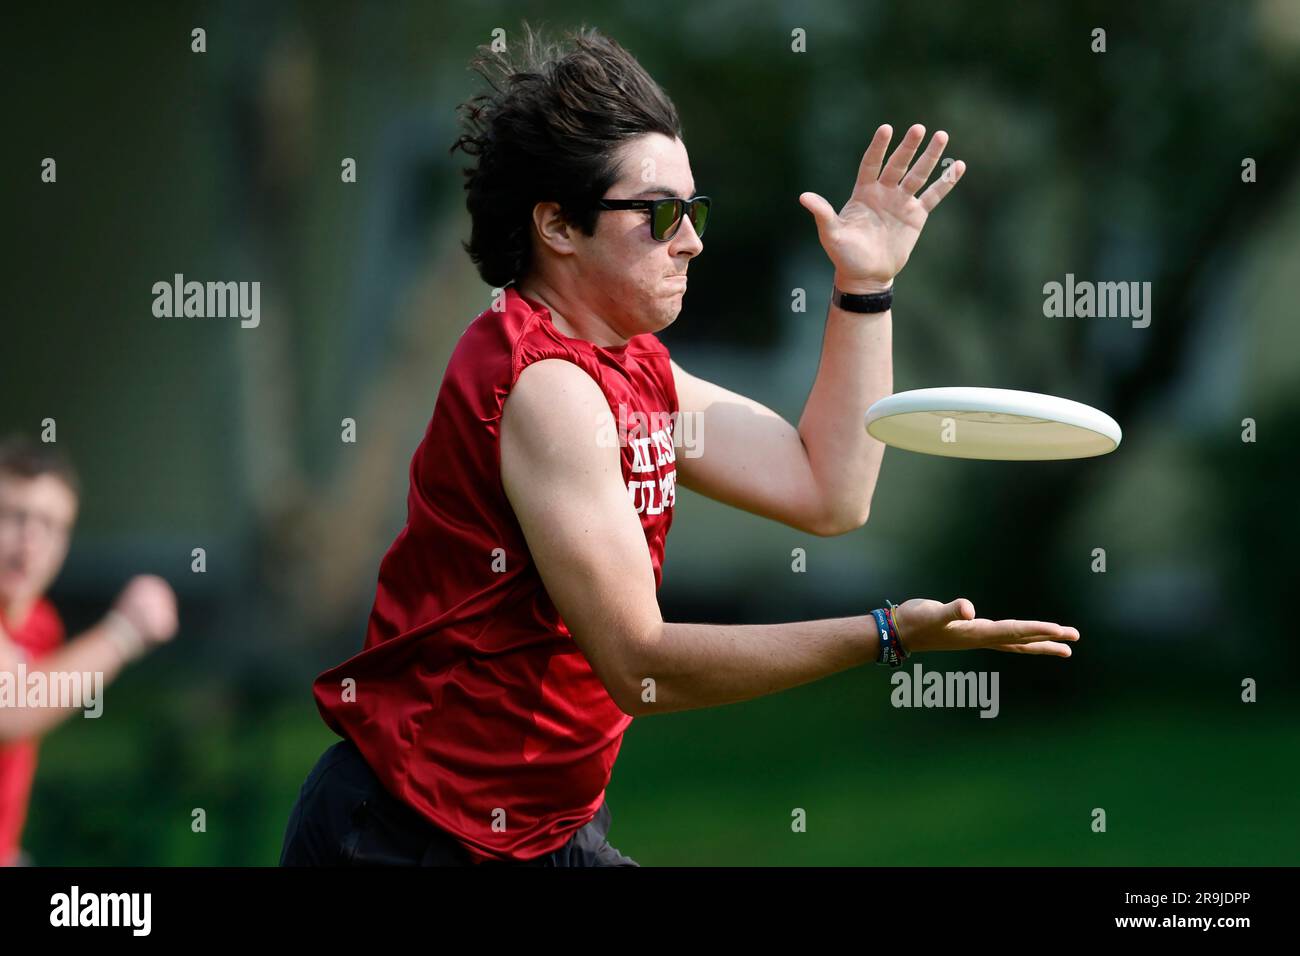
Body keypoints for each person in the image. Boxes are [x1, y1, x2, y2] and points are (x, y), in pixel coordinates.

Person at [280, 23, 1080, 868]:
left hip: (541, 832)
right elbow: (641, 663)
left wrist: (865, 284)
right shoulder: (546, 389)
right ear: (557, 224)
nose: (692, 239)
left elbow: (828, 489)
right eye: (659, 213)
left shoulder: (634, 368)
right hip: (412, 833)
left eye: (693, 210)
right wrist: (885, 634)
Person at [0, 435, 179, 866]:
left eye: (51, 525)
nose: (31, 543)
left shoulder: (42, 623)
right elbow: (12, 707)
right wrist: (124, 632)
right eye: (14, 516)